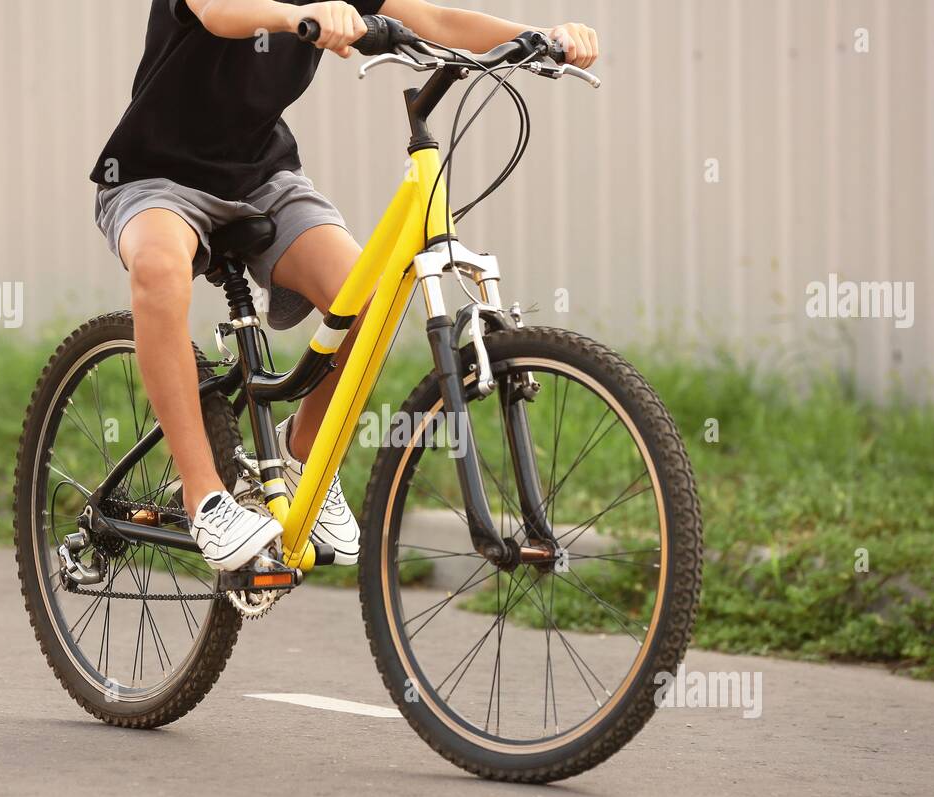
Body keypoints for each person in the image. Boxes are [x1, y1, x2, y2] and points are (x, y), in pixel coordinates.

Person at [91, 0, 598, 570]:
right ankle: (205, 494)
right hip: (155, 179)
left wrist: (540, 36)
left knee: (369, 298)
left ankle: (300, 455)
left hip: (263, 179)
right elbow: (217, 11)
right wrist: (297, 15)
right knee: (159, 270)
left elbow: (439, 23)